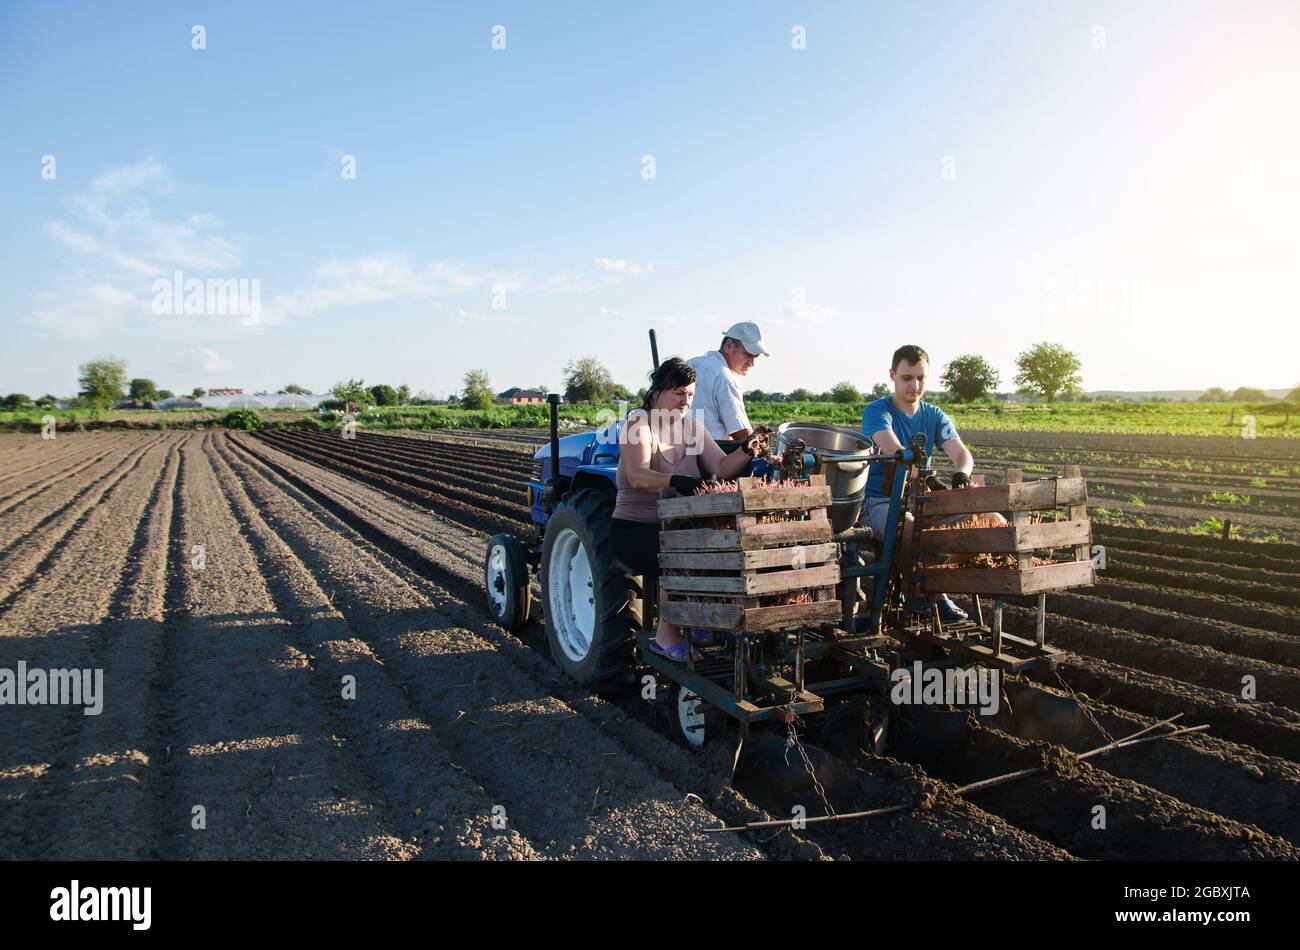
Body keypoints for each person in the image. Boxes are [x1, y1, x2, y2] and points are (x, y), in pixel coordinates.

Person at [611, 357, 767, 662]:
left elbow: (721, 468)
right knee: (684, 551)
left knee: (722, 547)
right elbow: (637, 477)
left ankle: (699, 621)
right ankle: (665, 635)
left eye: (691, 394)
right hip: (636, 528)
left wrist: (748, 449)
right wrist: (676, 480)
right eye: (679, 393)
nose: (686, 401)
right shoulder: (638, 425)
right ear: (657, 391)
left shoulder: (691, 428)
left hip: (680, 527)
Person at [858, 344, 1003, 623]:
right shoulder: (877, 411)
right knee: (909, 527)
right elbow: (896, 451)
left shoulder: (934, 415)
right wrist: (926, 476)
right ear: (892, 375)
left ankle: (941, 583)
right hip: (879, 501)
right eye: (907, 378)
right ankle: (918, 594)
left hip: (920, 498)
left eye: (921, 378)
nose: (915, 385)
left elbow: (962, 454)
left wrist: (961, 475)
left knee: (991, 520)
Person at [687, 321, 768, 442]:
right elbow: (742, 434)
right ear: (729, 345)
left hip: (673, 450)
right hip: (709, 453)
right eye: (748, 354)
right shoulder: (725, 378)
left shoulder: (689, 364)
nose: (752, 363)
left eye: (755, 357)